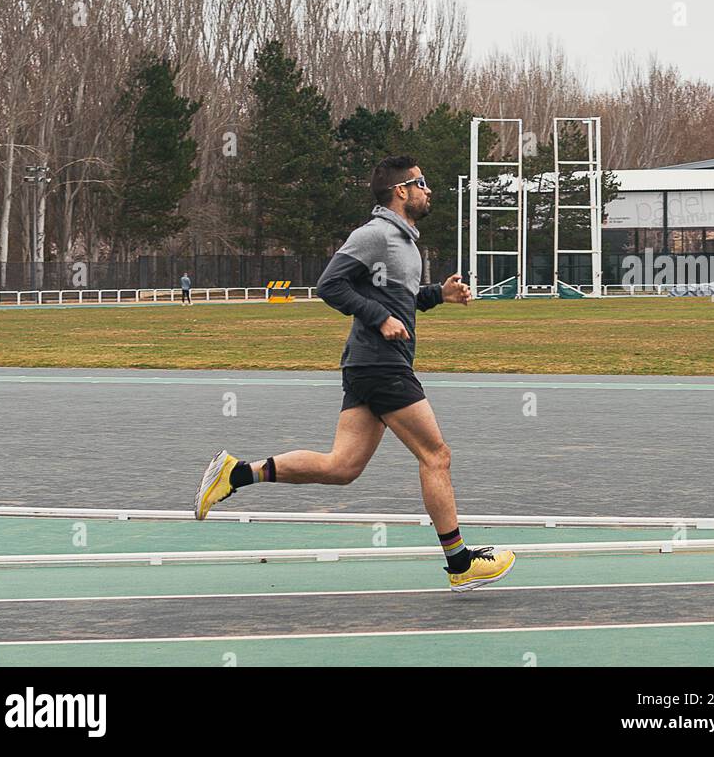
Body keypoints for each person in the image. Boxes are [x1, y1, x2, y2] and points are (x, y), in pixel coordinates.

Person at [194, 155, 514, 592]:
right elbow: (331, 284)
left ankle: (235, 473)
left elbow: (400, 298)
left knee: (342, 467)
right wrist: (379, 318)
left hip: (371, 366)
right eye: (423, 183)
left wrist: (439, 294)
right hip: (381, 364)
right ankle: (460, 563)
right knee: (436, 455)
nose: (429, 190)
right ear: (401, 191)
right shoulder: (375, 235)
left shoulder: (402, 241)